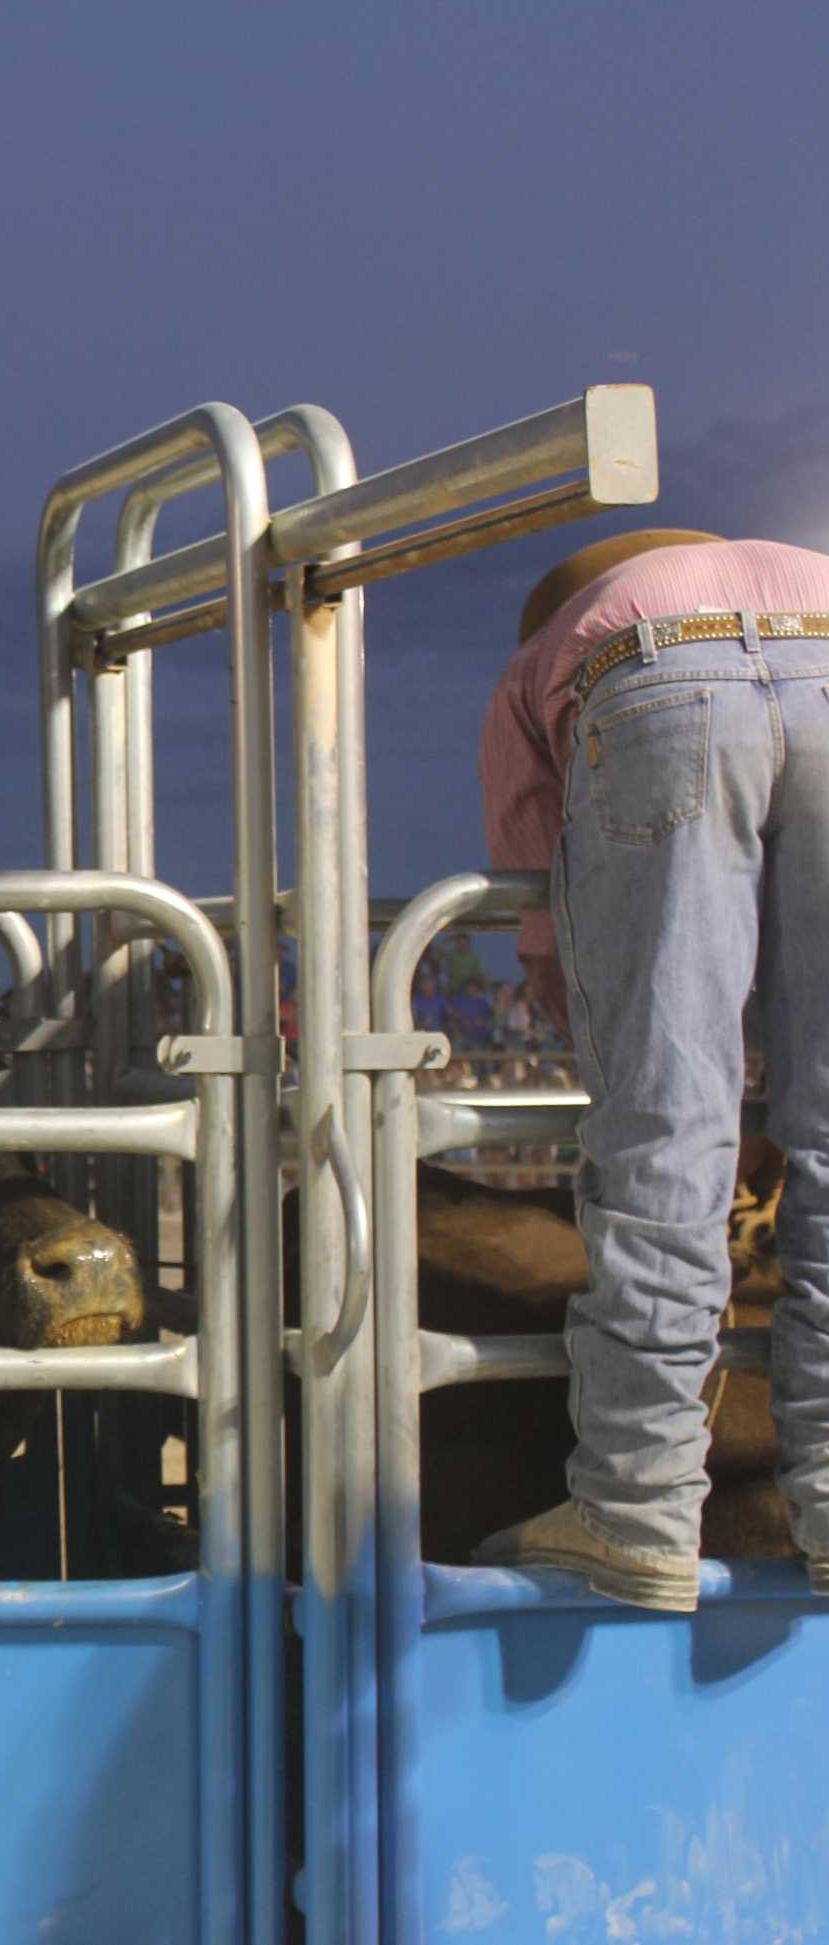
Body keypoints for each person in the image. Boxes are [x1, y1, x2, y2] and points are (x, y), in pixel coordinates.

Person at [472, 529, 829, 1609]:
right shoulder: (792, 563)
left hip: (652, 688)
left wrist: (597, 1012)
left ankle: (637, 1507)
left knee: (668, 1123)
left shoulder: (551, 651)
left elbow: (542, 912)